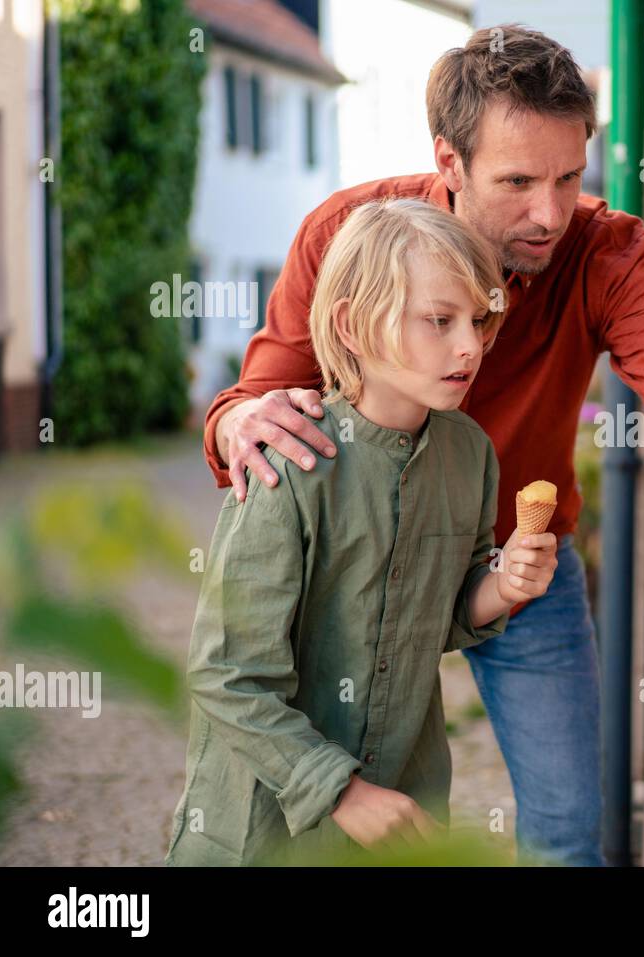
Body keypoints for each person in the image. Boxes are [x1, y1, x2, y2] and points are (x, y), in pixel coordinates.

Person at [202, 25, 644, 866]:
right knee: (318, 806)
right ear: (449, 164)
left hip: (520, 568)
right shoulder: (347, 235)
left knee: (567, 831)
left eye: (569, 177)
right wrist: (239, 423)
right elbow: (256, 399)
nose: (552, 213)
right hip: (355, 562)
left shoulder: (609, 251)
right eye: (518, 181)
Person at [166, 199, 558, 866]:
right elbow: (228, 674)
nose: (470, 345)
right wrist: (344, 793)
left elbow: (438, 618)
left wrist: (502, 586)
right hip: (261, 832)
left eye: (479, 320)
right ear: (353, 325)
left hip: (403, 809)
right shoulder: (288, 461)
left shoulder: (471, 455)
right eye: (440, 320)